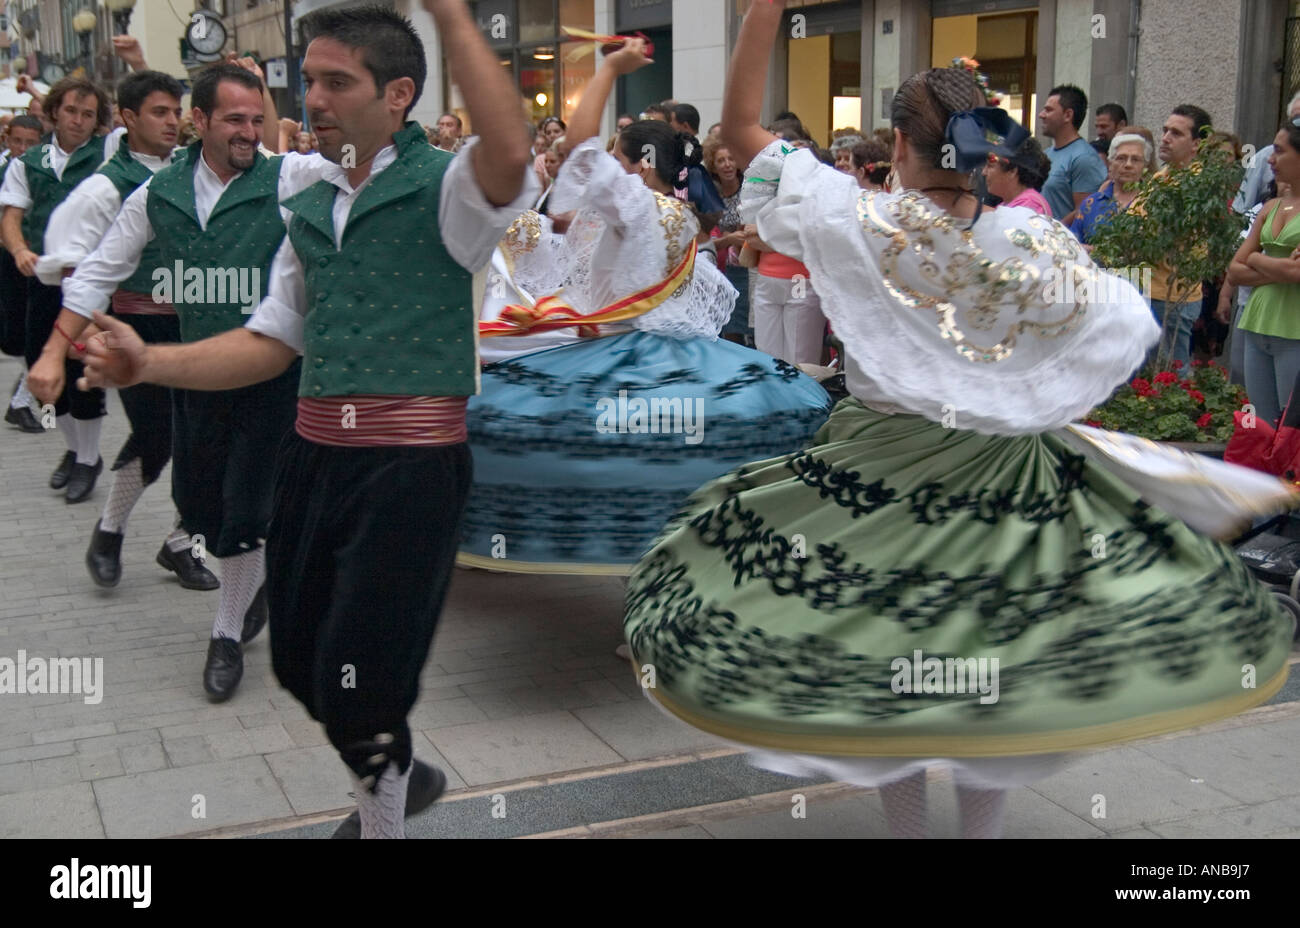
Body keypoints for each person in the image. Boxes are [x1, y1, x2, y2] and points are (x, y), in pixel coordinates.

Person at [623, 0, 1297, 841]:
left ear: (899, 146)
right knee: (994, 679)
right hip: (1008, 484)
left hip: (877, 481)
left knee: (889, 674)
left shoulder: (858, 218)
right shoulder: (1032, 240)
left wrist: (761, 12)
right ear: (983, 152)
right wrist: (1031, 399)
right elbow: (1118, 322)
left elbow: (739, 130)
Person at [79, 0, 538, 839]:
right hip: (315, 456)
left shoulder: (448, 190)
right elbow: (268, 341)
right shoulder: (310, 205)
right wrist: (149, 365)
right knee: (296, 661)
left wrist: (450, 14)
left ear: (397, 95)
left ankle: (383, 817)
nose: (312, 100)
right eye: (308, 80)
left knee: (361, 677)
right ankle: (397, 772)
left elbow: (508, 153)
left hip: (409, 468)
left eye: (336, 82)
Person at [459, 39, 830, 577]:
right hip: (673, 355)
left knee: (506, 417)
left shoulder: (635, 204)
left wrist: (609, 69)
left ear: (639, 167)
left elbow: (578, 147)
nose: (608, 166)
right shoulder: (678, 215)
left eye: (617, 158)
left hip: (616, 352)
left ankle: (517, 529)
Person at [33, 62, 336, 703]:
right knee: (198, 503)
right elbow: (98, 271)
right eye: (234, 120)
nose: (248, 132)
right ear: (199, 121)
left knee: (247, 506)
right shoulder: (157, 192)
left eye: (256, 118)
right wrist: (54, 353)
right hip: (198, 374)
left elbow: (355, 172)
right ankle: (249, 581)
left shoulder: (290, 177)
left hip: (273, 374)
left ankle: (225, 633)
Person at [24, 70, 223, 592]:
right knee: (157, 435)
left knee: (206, 439)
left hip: (199, 321)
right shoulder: (104, 186)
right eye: (159, 112)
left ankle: (182, 543)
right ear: (128, 118)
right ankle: (109, 531)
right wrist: (79, 336)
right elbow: (74, 266)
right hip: (137, 325)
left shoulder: (191, 167)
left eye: (175, 111)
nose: (171, 121)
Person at [1, 76, 121, 503]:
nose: (78, 120)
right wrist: (19, 249)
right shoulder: (27, 162)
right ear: (53, 112)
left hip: (92, 282)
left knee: (83, 367)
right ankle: (73, 448)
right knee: (39, 364)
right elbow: (11, 216)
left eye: (88, 114)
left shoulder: (108, 152)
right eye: (71, 110)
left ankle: (88, 458)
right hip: (44, 278)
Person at [1228, 119, 1300, 428]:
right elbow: (1234, 270)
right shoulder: (1270, 207)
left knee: (1292, 427)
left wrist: (1256, 258)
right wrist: (1279, 267)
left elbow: (1296, 272)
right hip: (1257, 322)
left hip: (1294, 327)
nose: (1270, 159)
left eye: (1280, 151)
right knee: (1263, 425)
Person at [1142, 103, 1214, 369]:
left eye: (1176, 133)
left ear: (1196, 144)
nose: (1165, 138)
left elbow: (1156, 236)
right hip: (1148, 288)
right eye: (1165, 130)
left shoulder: (1199, 185)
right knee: (1147, 378)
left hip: (1173, 296)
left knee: (1171, 378)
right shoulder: (1161, 177)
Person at [1, 115, 45, 432]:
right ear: (7, 140)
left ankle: (23, 401)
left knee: (38, 335)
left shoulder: (42, 171)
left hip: (37, 261)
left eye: (31, 143)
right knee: (16, 337)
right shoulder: (5, 172)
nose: (23, 148)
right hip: (10, 259)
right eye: (17, 141)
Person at [704, 135, 751, 343]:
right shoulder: (710, 194)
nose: (727, 165)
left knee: (747, 327)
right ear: (713, 166)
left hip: (745, 267)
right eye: (721, 160)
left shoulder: (748, 190)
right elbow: (704, 239)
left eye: (731, 159)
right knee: (728, 328)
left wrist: (726, 238)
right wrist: (729, 238)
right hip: (718, 269)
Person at [1039, 84, 1106, 224]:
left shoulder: (1084, 158)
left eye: (1049, 110)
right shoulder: (1046, 154)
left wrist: (1053, 232)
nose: (1041, 115)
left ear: (1068, 115)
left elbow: (1085, 210)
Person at [1068, 132, 1150, 245]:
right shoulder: (1091, 204)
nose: (1128, 165)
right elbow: (1072, 245)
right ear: (1110, 163)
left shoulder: (1153, 203)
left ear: (1145, 166)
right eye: (1121, 158)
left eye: (1135, 159)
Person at [982, 135, 1051, 215]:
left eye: (990, 166)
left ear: (1012, 171)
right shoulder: (1008, 204)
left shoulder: (1030, 205)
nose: (983, 172)